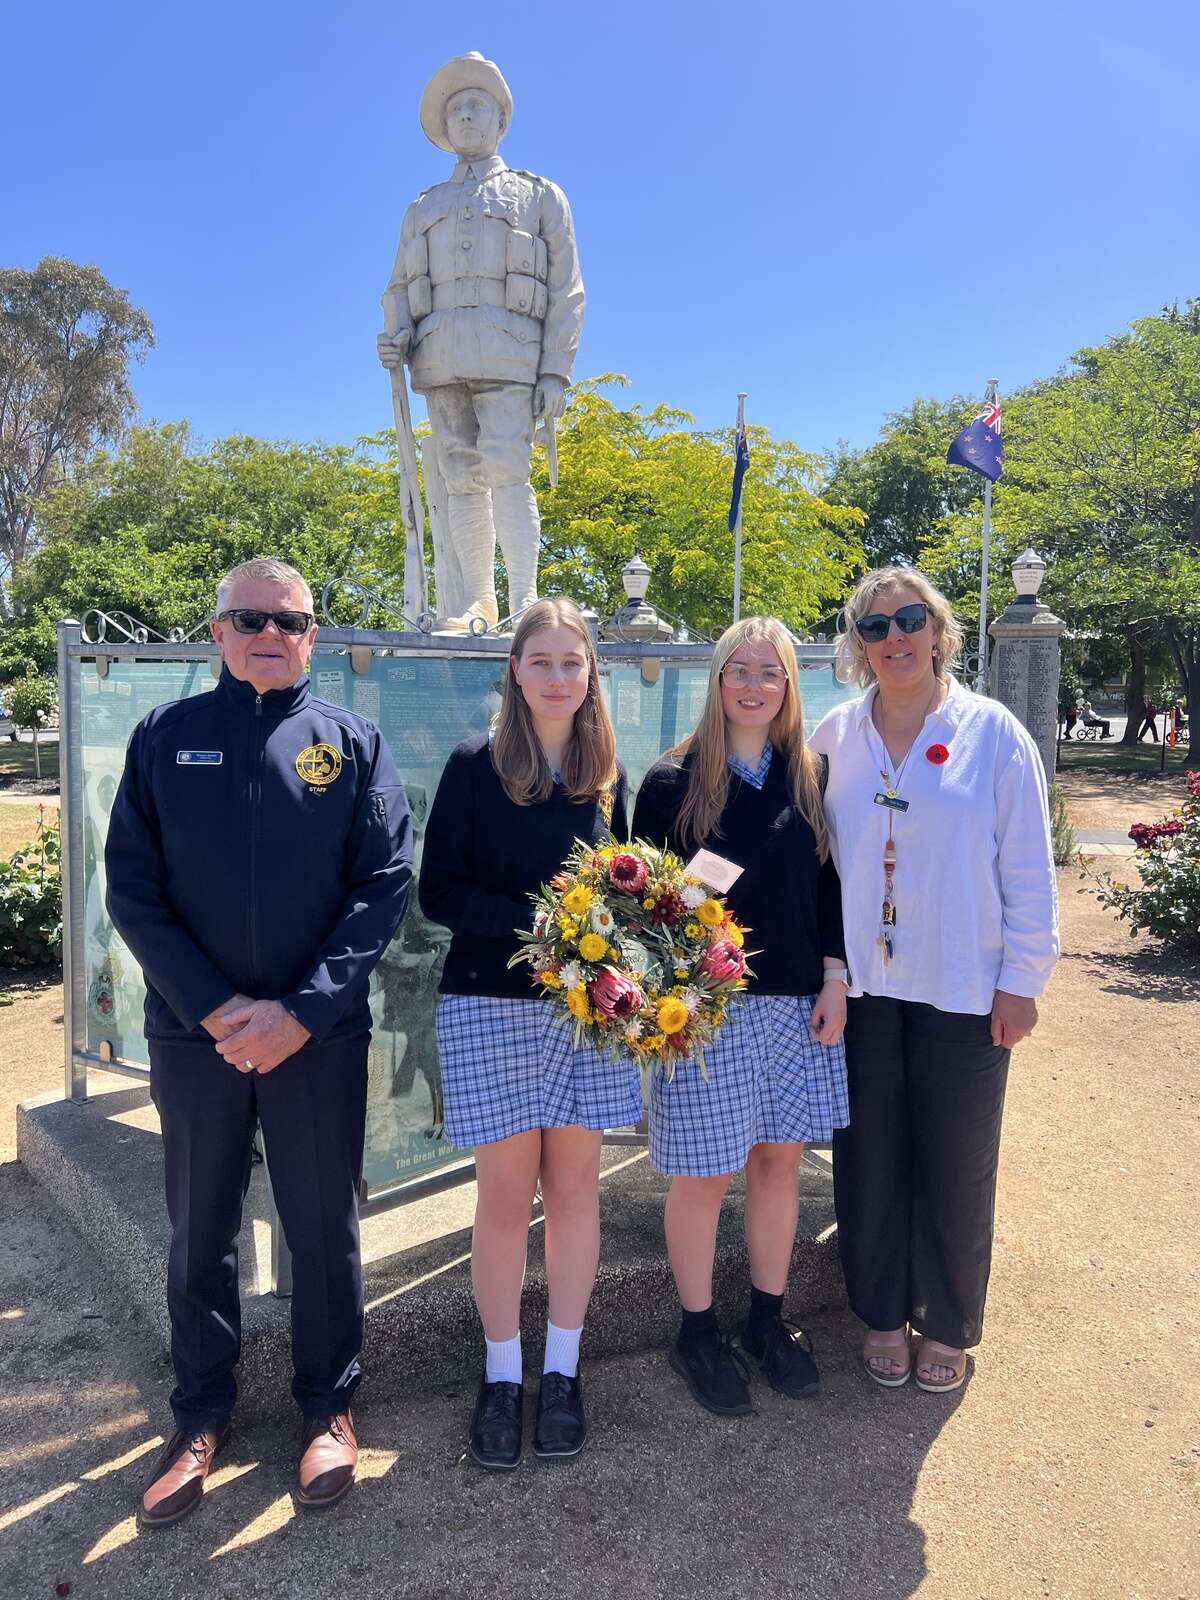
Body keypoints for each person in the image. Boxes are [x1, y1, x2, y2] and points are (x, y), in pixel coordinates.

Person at [105, 559, 412, 1526]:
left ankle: (328, 1407)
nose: (271, 632)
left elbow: (384, 883)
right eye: (250, 618)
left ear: (313, 635)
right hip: (196, 1040)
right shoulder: (165, 737)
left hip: (315, 1040)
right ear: (218, 630)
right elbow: (132, 890)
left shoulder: (351, 742)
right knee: (200, 1231)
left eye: (292, 620)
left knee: (325, 1227)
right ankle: (201, 1414)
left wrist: (302, 1012)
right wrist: (212, 1009)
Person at [810, 567, 1058, 1393]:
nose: (894, 638)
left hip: (964, 984)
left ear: (939, 629)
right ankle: (882, 1313)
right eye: (874, 628)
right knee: (869, 1157)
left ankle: (947, 1323)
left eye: (909, 619)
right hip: (865, 987)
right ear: (857, 647)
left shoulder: (993, 734)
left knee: (957, 1161)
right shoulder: (834, 739)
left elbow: (1027, 865)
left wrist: (1023, 978)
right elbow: (804, 858)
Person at [419, 597, 640, 1469]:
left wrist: (622, 935)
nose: (556, 676)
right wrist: (549, 931)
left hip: (583, 1015)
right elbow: (441, 894)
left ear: (590, 675)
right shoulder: (478, 764)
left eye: (571, 662)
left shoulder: (602, 775)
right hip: (490, 1005)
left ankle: (564, 1369)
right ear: (514, 670)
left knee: (577, 1194)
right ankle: (502, 1372)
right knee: (507, 1201)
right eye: (540, 661)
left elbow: (618, 891)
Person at [631, 616, 849, 1416]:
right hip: (708, 1012)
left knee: (777, 1166)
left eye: (772, 672)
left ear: (790, 687)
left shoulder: (811, 776)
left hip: (795, 1003)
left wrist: (834, 976)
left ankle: (767, 1318)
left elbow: (830, 888)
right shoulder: (671, 782)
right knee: (703, 1173)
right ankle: (696, 1330)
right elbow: (642, 909)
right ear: (716, 680)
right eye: (739, 669)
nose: (754, 685)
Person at [378, 53, 584, 630]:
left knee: (507, 470)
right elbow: (398, 287)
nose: (467, 115)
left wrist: (554, 371)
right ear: (444, 129)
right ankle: (478, 602)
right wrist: (396, 333)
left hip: (512, 356)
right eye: (457, 107)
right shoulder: (423, 208)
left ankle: (524, 600)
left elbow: (567, 289)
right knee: (461, 476)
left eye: (479, 105)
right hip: (440, 358)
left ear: (500, 121)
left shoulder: (539, 195)